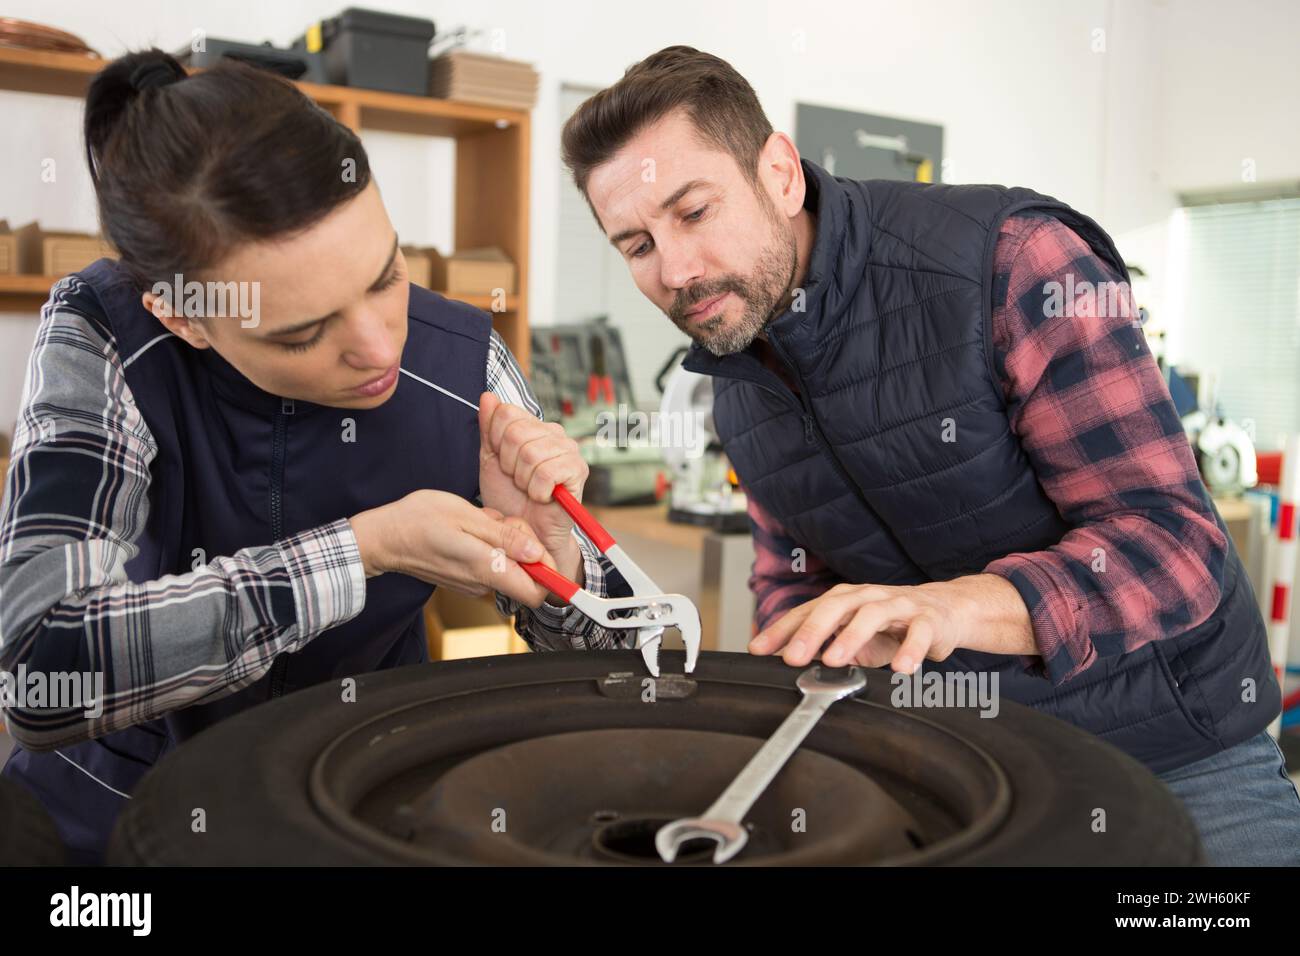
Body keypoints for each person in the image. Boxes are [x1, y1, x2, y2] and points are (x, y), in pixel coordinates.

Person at [559, 45, 1300, 864]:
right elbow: (795, 580)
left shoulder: (1015, 262)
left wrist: (956, 609)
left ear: (780, 173)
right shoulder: (736, 375)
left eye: (695, 212)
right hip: (965, 767)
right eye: (637, 245)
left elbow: (1175, 546)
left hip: (1176, 752)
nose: (676, 271)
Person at [0, 49, 625, 863]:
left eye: (387, 275)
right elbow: (41, 673)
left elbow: (618, 658)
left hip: (360, 806)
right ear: (183, 317)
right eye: (302, 332)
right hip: (116, 820)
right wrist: (364, 551)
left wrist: (554, 557)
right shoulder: (107, 333)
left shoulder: (465, 359)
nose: (381, 348)